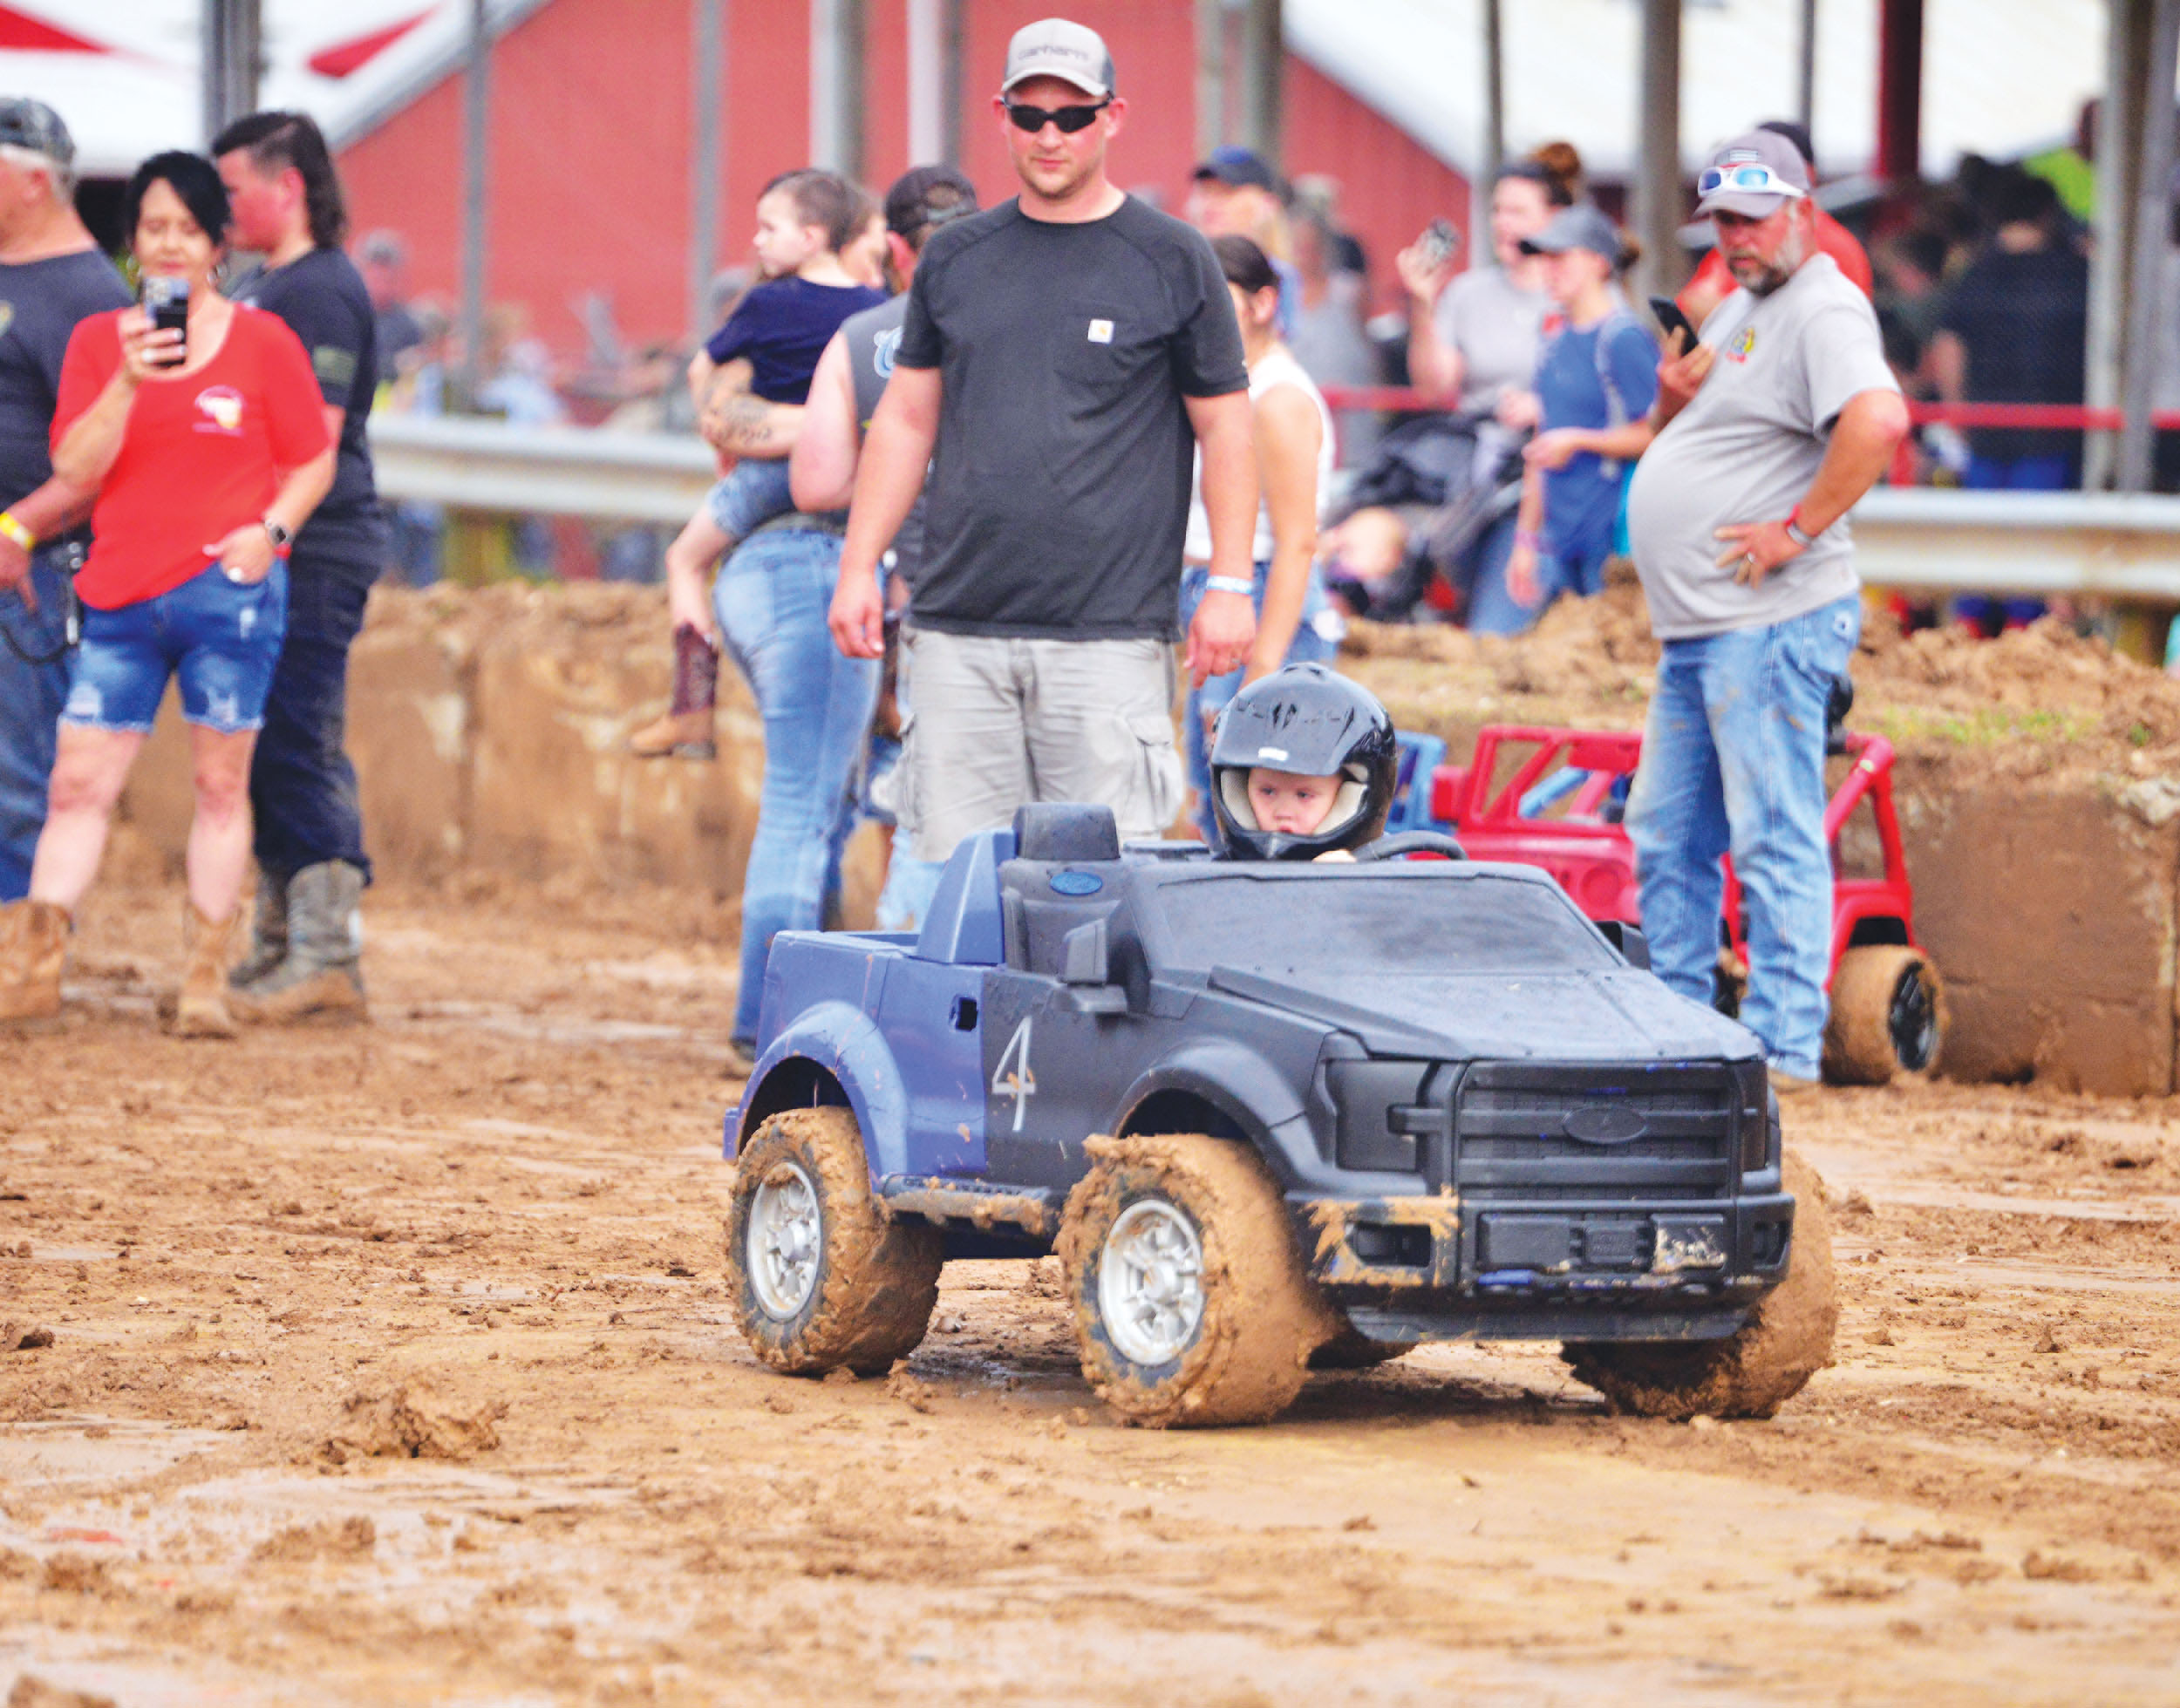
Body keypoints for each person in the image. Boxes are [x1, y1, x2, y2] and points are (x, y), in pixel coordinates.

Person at [830, 17, 1256, 868]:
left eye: (1072, 115)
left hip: (1107, 638)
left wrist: (1231, 583)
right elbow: (906, 421)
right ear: (1003, 119)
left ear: (1113, 117)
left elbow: (1226, 424)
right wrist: (858, 567)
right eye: (1030, 116)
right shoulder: (954, 259)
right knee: (960, 884)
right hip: (958, 631)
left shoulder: (1173, 259)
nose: (1050, 135)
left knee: (1101, 895)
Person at [0, 151, 333, 1033]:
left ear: (217, 244)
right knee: (79, 780)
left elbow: (312, 458)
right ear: (134, 245)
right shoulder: (96, 343)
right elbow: (74, 467)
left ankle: (201, 980)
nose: (172, 244)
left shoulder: (266, 344)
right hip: (118, 593)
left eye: (188, 227)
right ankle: (33, 967)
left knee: (220, 783)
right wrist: (128, 379)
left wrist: (271, 534)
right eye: (155, 228)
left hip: (230, 594)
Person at [1619, 130, 1910, 1094]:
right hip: (1704, 624)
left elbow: (1878, 420)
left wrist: (1794, 528)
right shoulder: (1746, 305)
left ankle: (1783, 1051)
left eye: (1749, 220)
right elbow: (1707, 437)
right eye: (1720, 223)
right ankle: (1683, 1033)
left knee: (1772, 829)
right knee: (1666, 831)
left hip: (1769, 616)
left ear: (1801, 209)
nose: (1732, 240)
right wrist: (1668, 404)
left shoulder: (1824, 306)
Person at [213, 111, 388, 1025]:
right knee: (263, 737)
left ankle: (324, 952)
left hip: (312, 543)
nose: (220, 205)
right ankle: (282, 941)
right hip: (270, 538)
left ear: (287, 187)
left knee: (296, 733)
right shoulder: (261, 283)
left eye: (232, 186)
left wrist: (272, 532)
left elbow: (312, 441)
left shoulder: (318, 291)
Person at [635, 169, 885, 760]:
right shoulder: (874, 308)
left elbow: (702, 370)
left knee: (685, 559)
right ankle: (892, 692)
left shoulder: (769, 302)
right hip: (846, 473)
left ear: (811, 237)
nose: (757, 242)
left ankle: (692, 708)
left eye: (770, 228)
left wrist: (723, 433)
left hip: (767, 474)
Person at [792, 164, 980, 937]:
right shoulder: (1013, 323)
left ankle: (897, 938)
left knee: (895, 794)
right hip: (1000, 592)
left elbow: (817, 482)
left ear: (894, 248)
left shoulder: (864, 338)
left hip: (899, 595)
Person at [0, 100, 131, 912]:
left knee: (17, 771)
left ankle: (21, 949)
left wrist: (19, 526)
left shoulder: (88, 294)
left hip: (31, 578)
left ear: (35, 182)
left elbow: (103, 455)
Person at [1178, 235, 1344, 839]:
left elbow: (1299, 540)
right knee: (1218, 805)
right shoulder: (1227, 385)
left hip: (1264, 596)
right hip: (1219, 587)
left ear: (1262, 302)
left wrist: (1262, 674)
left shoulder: (1278, 400)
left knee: (1258, 814)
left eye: (1217, 298)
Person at [1500, 205, 1659, 628]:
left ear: (1598, 263)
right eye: (1544, 258)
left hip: (1613, 538)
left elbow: (1659, 434)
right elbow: (1542, 442)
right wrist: (1525, 540)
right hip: (1561, 536)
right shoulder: (1553, 339)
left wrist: (1579, 441)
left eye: (1561, 257)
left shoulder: (1623, 339)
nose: (1548, 269)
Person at [1396, 158, 1567, 419]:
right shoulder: (1467, 292)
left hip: (1559, 447)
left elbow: (1610, 396)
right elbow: (1433, 389)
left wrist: (1547, 410)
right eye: (1497, 210)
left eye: (1517, 212)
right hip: (1481, 445)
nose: (1502, 222)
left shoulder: (1580, 293)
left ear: (1553, 217)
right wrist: (1422, 303)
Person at [1677, 121, 1873, 331]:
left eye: (1754, 218)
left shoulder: (1833, 252)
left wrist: (1714, 313)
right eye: (1726, 219)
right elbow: (1683, 313)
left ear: (1805, 173)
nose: (1738, 234)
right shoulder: (1739, 238)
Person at [1204, 663, 1397, 862]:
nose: (1283, 812)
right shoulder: (1221, 877)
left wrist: (1348, 884)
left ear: (1348, 796)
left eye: (1304, 795)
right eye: (1268, 791)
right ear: (1240, 788)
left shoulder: (1389, 876)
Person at [1185, 146, 1298, 336]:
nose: (1211, 203)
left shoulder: (1278, 276)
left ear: (1266, 204)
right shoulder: (1179, 266)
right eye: (1206, 191)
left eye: (1226, 192)